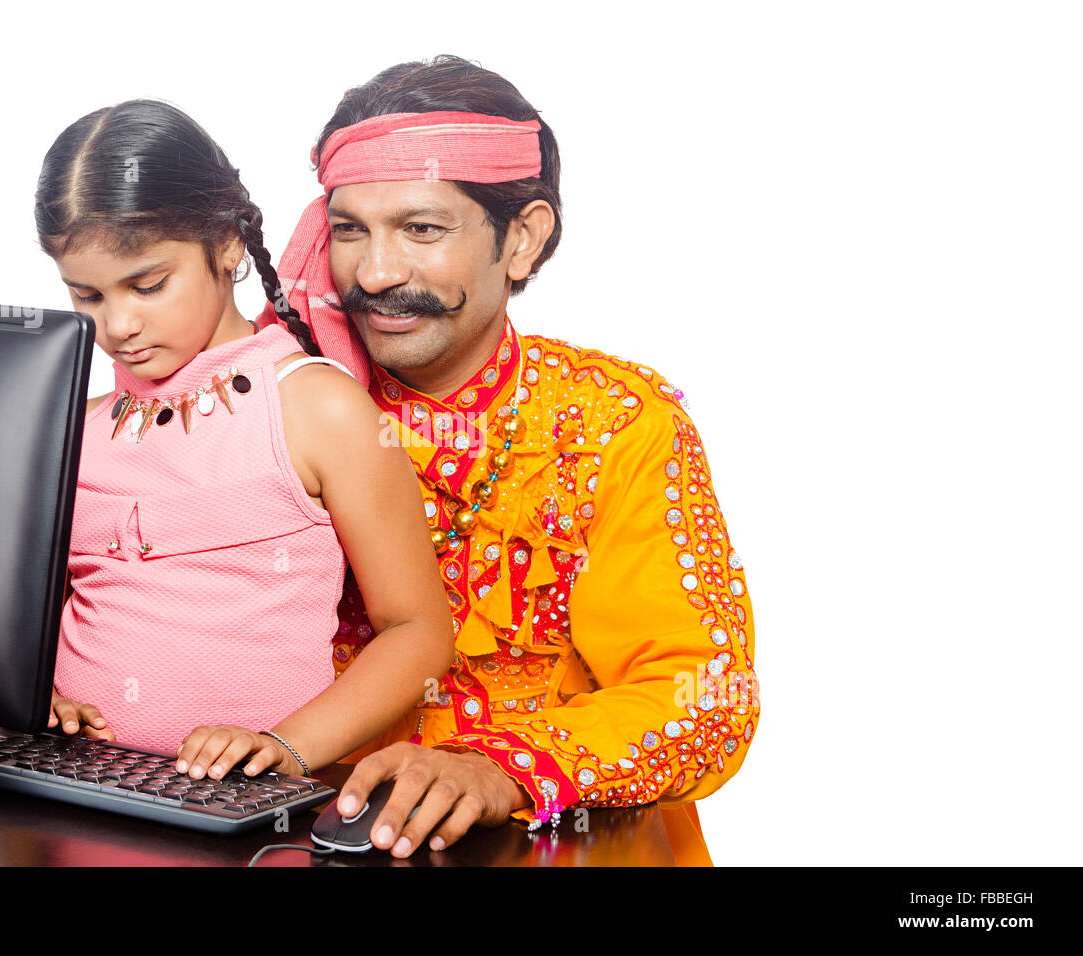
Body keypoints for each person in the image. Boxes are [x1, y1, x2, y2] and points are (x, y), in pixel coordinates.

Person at [261, 56, 760, 864]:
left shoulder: (615, 424)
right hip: (314, 838)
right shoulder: (281, 411)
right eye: (350, 230)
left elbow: (705, 698)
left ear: (522, 238)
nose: (376, 273)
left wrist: (503, 767)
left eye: (421, 229)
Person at [32, 99, 453, 782]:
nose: (118, 326)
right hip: (72, 784)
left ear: (227, 245)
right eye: (88, 297)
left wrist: (287, 747)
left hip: (245, 810)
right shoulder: (75, 425)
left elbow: (418, 631)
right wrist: (37, 693)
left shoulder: (317, 409)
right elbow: (32, 614)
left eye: (148, 285)